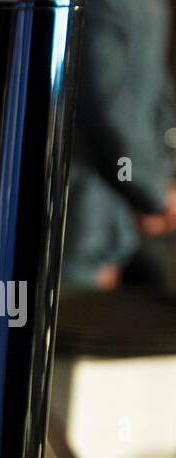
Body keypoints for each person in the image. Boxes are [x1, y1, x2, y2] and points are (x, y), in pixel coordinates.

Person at [61, 0, 176, 291]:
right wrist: (156, 193)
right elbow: (111, 113)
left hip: (110, 216)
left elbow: (155, 99)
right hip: (83, 211)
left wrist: (158, 188)